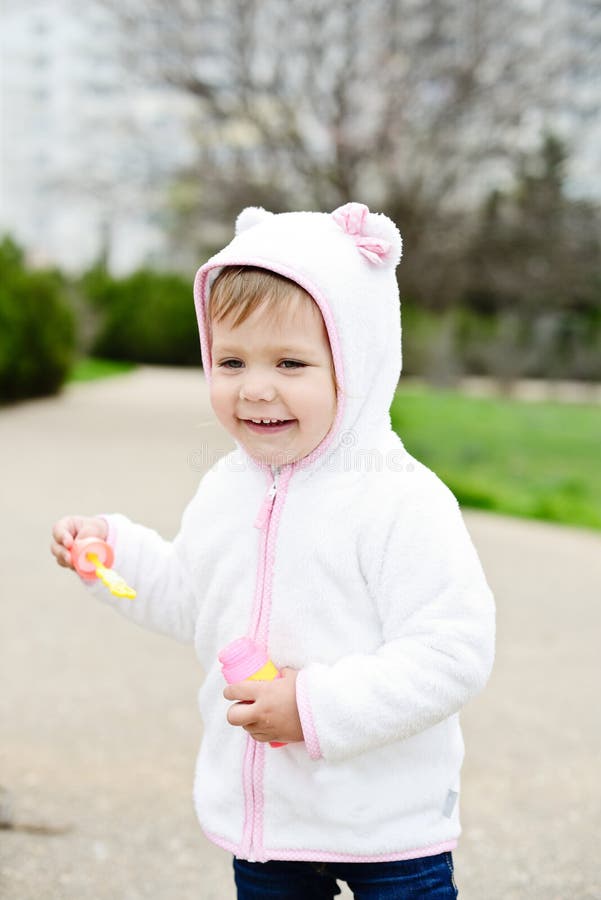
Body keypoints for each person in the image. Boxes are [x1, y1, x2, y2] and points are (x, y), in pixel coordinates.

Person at [51, 202, 496, 899]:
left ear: (356, 361)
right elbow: (196, 601)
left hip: (384, 822)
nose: (255, 388)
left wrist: (314, 708)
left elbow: (452, 650)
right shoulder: (226, 487)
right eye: (231, 360)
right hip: (267, 825)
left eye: (290, 362)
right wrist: (117, 555)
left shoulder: (398, 499)